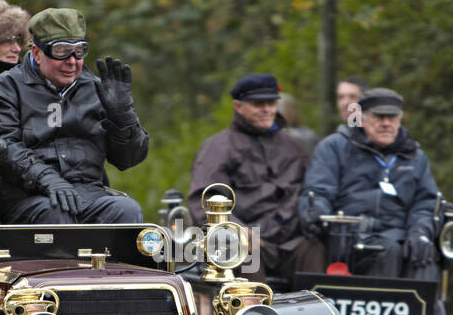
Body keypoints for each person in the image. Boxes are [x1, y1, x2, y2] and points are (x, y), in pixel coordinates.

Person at [0, 7, 146, 224]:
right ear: (37, 54)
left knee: (127, 210)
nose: (72, 61)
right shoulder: (6, 88)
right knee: (57, 216)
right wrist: (46, 178)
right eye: (61, 50)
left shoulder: (97, 89)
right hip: (29, 196)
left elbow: (129, 159)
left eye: (79, 51)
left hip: (89, 193)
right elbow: (3, 146)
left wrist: (122, 115)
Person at [188, 74, 324, 281]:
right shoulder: (218, 148)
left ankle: (315, 313)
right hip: (248, 243)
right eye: (258, 104)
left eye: (271, 103)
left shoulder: (293, 146)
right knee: (244, 252)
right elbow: (204, 200)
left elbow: (315, 190)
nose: (267, 109)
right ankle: (253, 313)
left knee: (316, 247)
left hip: (291, 242)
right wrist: (240, 232)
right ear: (238, 106)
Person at [300, 87, 439, 279]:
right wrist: (316, 214)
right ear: (362, 118)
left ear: (400, 119)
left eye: (392, 118)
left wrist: (420, 231)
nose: (386, 123)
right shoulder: (334, 148)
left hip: (398, 234)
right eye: (379, 117)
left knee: (424, 255)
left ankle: (424, 309)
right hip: (347, 236)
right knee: (387, 251)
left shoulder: (415, 156)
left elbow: (425, 203)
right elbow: (318, 191)